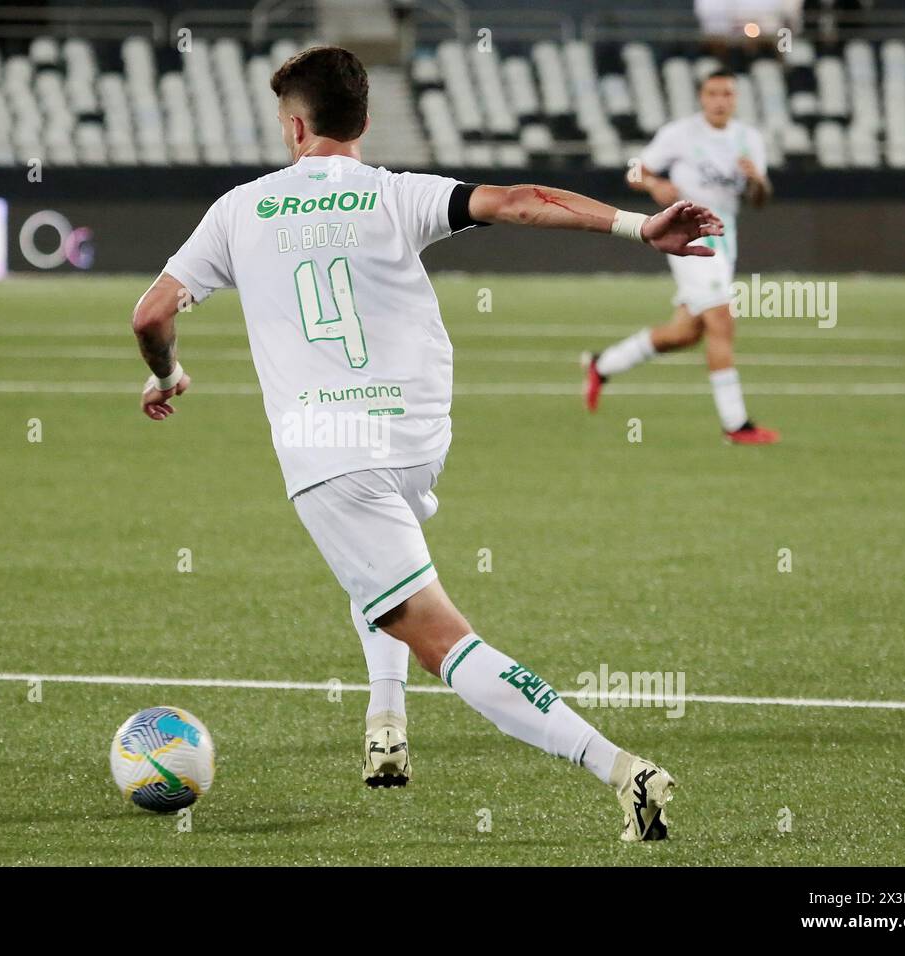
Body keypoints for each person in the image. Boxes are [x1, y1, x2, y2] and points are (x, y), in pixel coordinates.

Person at [133, 46, 724, 840]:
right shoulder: (396, 194)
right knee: (378, 567)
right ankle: (385, 718)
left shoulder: (240, 209)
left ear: (295, 126)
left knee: (439, 635)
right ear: (364, 124)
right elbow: (519, 200)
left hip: (328, 455)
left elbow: (151, 315)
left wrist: (167, 375)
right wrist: (637, 225)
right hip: (415, 433)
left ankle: (620, 769)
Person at [584, 68, 779, 444]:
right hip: (688, 236)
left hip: (726, 239)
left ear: (736, 99)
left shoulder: (749, 140)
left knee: (686, 333)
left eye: (727, 94)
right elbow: (633, 170)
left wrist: (757, 180)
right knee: (721, 320)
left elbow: (760, 200)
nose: (720, 100)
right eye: (713, 93)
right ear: (701, 98)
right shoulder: (680, 134)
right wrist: (655, 183)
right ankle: (736, 425)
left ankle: (602, 365)